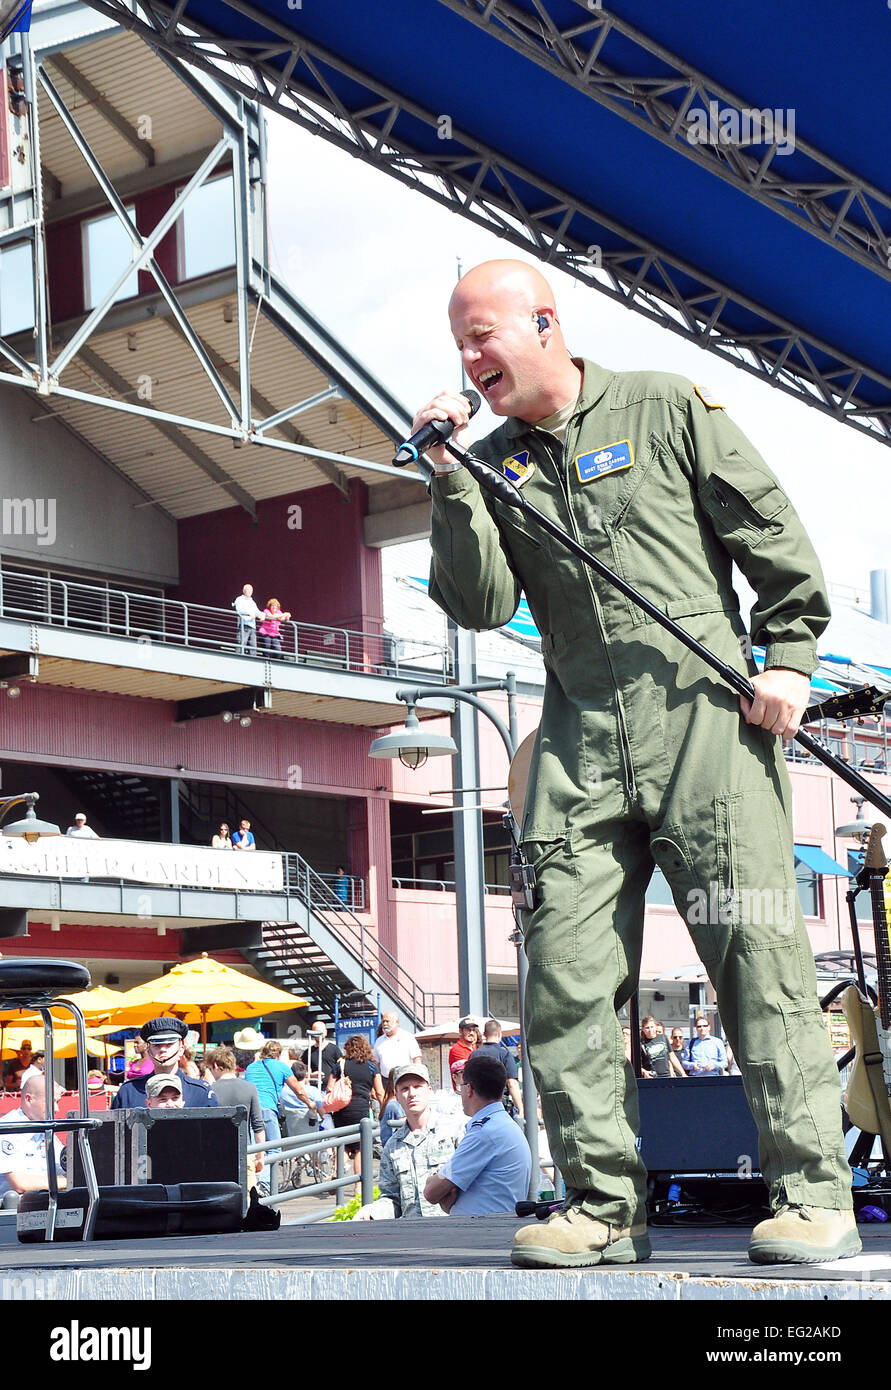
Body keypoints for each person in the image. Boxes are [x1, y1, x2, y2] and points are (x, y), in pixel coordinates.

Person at [419, 257, 858, 1268]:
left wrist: (789, 658)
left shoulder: (664, 407)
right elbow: (481, 603)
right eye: (459, 343)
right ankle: (603, 1207)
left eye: (484, 334)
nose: (470, 357)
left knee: (755, 960)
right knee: (564, 978)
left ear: (544, 323)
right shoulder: (489, 462)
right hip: (578, 733)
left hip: (706, 715)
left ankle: (812, 1193)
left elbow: (771, 531)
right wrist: (448, 476)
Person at [424, 1053, 532, 1216]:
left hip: (480, 1232)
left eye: (461, 1087)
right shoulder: (501, 1125)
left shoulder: (485, 1132)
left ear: (469, 1089)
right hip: (487, 1226)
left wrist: (435, 1180)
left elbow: (431, 1192)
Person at [353, 1063, 464, 1220]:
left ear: (429, 1090)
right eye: (405, 1089)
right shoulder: (392, 1147)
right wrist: (373, 1212)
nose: (412, 1093)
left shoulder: (455, 1131)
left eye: (418, 1086)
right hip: (412, 1234)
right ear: (396, 1096)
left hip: (453, 1228)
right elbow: (391, 1199)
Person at [111, 1017, 219, 1109]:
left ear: (181, 1049)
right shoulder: (128, 1092)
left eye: (169, 1044)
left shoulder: (201, 1093)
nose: (163, 1049)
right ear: (149, 1051)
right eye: (157, 1045)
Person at [206, 1045, 266, 1188]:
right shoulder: (250, 1088)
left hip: (217, 1154)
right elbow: (258, 1125)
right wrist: (260, 1156)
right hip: (245, 1152)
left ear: (215, 1066)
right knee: (249, 1198)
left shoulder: (210, 1090)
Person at [243, 1036, 314, 1154]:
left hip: (250, 1110)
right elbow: (299, 1090)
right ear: (279, 1055)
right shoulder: (281, 1066)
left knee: (255, 1151)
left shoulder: (250, 1067)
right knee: (274, 1149)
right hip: (267, 1109)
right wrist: (309, 1103)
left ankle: (257, 1172)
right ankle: (269, 1173)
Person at [0, 1077, 66, 1202]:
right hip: (10, 1212)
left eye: (58, 1102)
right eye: (51, 1102)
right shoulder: (8, 1128)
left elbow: (64, 1166)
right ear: (29, 1099)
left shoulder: (44, 1127)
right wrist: (67, 1181)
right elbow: (20, 1183)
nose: (57, 1109)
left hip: (40, 1205)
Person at [331, 1034, 384, 1185]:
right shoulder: (371, 1066)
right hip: (361, 1110)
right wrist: (384, 1107)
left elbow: (330, 1087)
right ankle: (358, 1186)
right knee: (360, 1148)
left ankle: (337, 1173)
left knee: (344, 1146)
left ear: (347, 1049)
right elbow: (379, 1092)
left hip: (341, 1110)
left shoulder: (340, 1064)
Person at [475, 1019, 524, 1118]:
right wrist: (521, 1108)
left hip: (479, 1104)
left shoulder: (474, 1055)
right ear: (499, 1034)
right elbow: (512, 1084)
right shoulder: (505, 1054)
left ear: (484, 1035)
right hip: (499, 1104)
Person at [371, 1011, 422, 1081]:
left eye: (387, 1021)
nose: (385, 1024)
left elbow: (417, 1060)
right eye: (383, 1022)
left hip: (404, 1079)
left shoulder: (407, 1037)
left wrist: (417, 1078)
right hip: (386, 1081)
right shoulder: (379, 1041)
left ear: (396, 1022)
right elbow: (376, 1063)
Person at [305, 1023, 342, 1089]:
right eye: (317, 1031)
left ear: (326, 1032)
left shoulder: (334, 1049)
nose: (320, 1034)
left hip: (331, 1088)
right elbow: (303, 1071)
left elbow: (341, 1067)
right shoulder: (309, 1051)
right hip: (314, 1088)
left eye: (322, 1031)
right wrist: (312, 1075)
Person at [447, 1017, 480, 1089]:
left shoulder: (476, 1048)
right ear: (460, 1031)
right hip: (463, 1090)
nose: (471, 1033)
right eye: (468, 1030)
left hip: (475, 1089)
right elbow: (470, 1069)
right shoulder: (456, 1049)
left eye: (474, 1030)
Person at [233, 582, 262, 654]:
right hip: (244, 625)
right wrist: (248, 613)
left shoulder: (252, 602)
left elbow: (257, 611)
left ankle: (253, 660)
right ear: (244, 591)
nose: (249, 592)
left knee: (253, 646)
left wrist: (262, 615)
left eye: (251, 590)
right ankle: (238, 658)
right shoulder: (239, 599)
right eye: (248, 590)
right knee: (241, 644)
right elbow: (239, 609)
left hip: (252, 626)